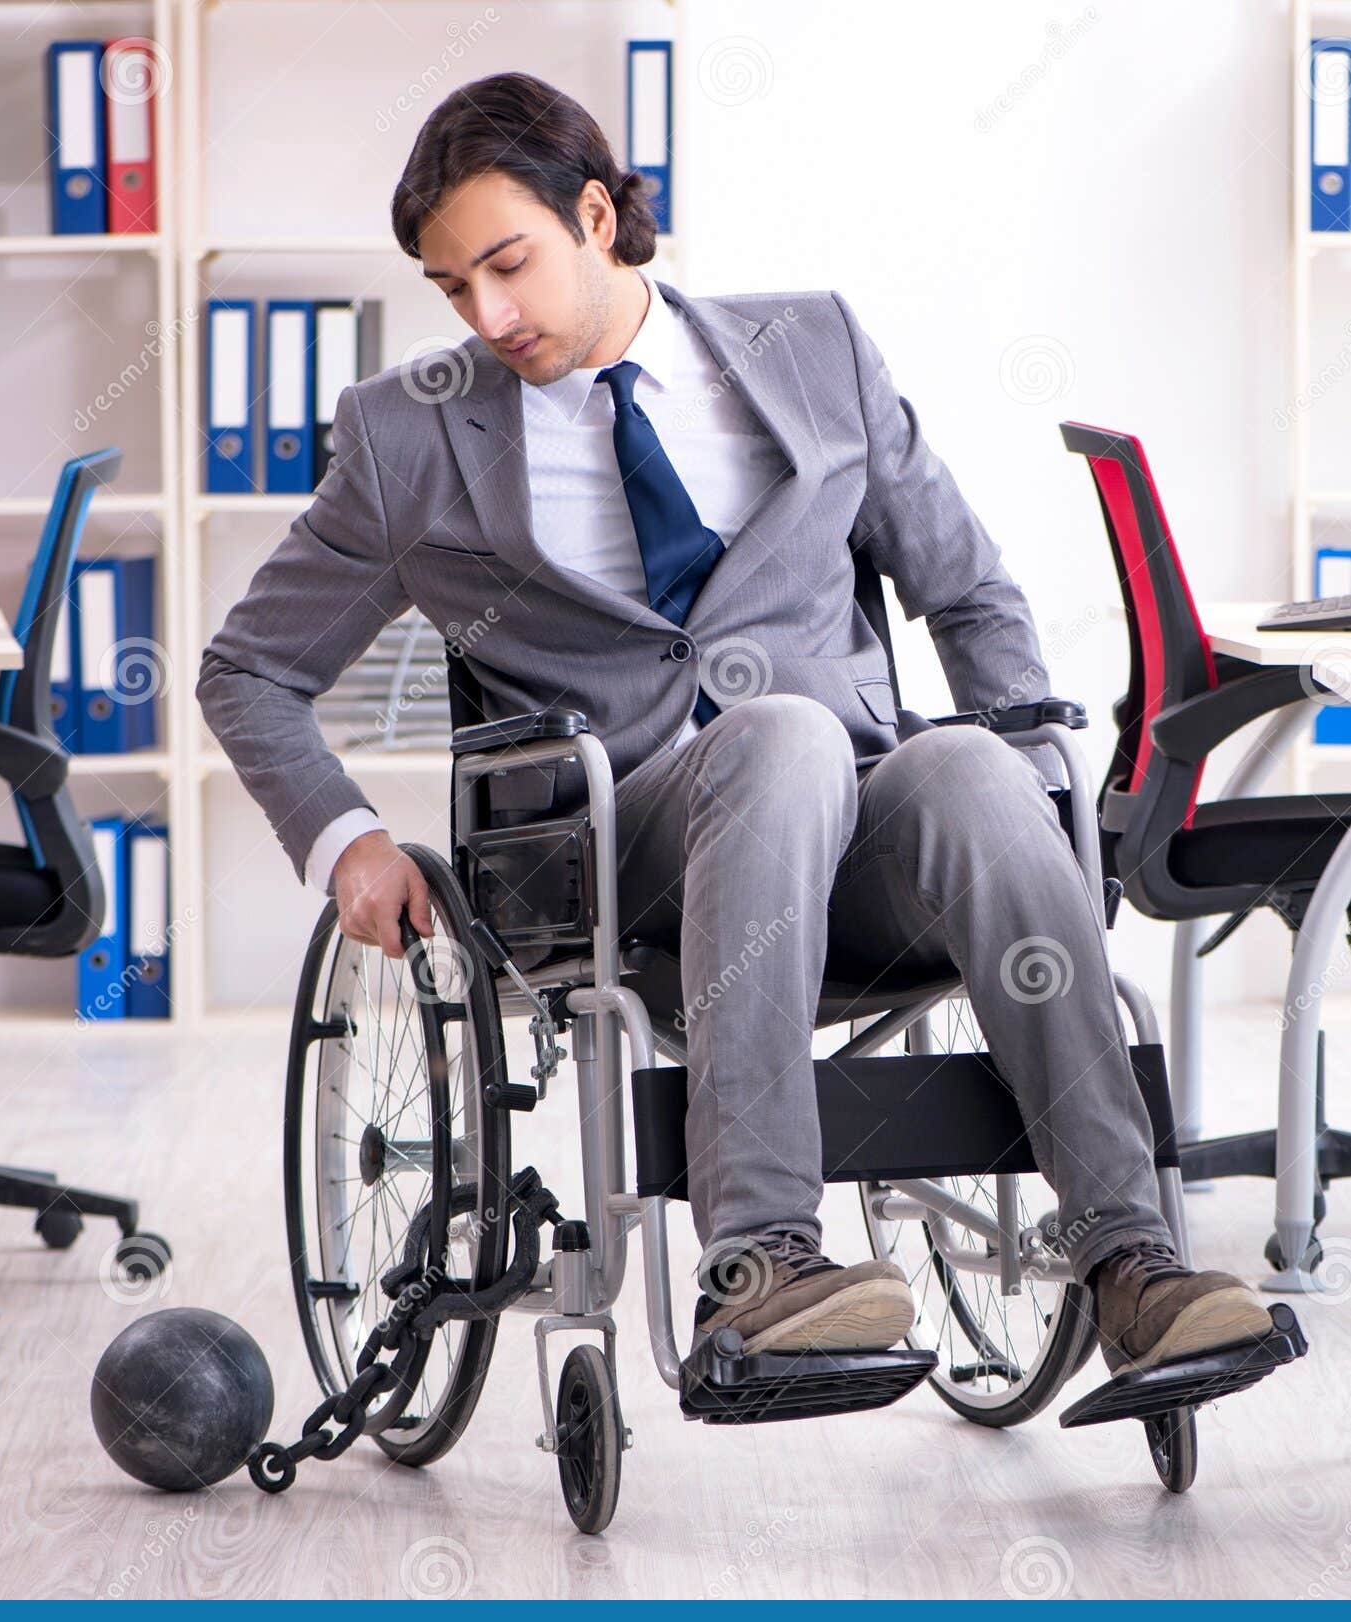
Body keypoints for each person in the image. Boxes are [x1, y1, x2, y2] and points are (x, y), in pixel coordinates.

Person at [197, 70, 1274, 1378]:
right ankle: (760, 1262)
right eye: (450, 288)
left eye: (506, 265)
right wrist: (344, 838)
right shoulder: (405, 436)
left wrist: (1046, 788)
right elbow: (248, 668)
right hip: (611, 854)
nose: (486, 315)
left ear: (595, 214)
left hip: (856, 845)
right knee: (780, 734)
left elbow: (967, 591)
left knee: (964, 764)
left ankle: (1131, 1261)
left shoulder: (812, 348)